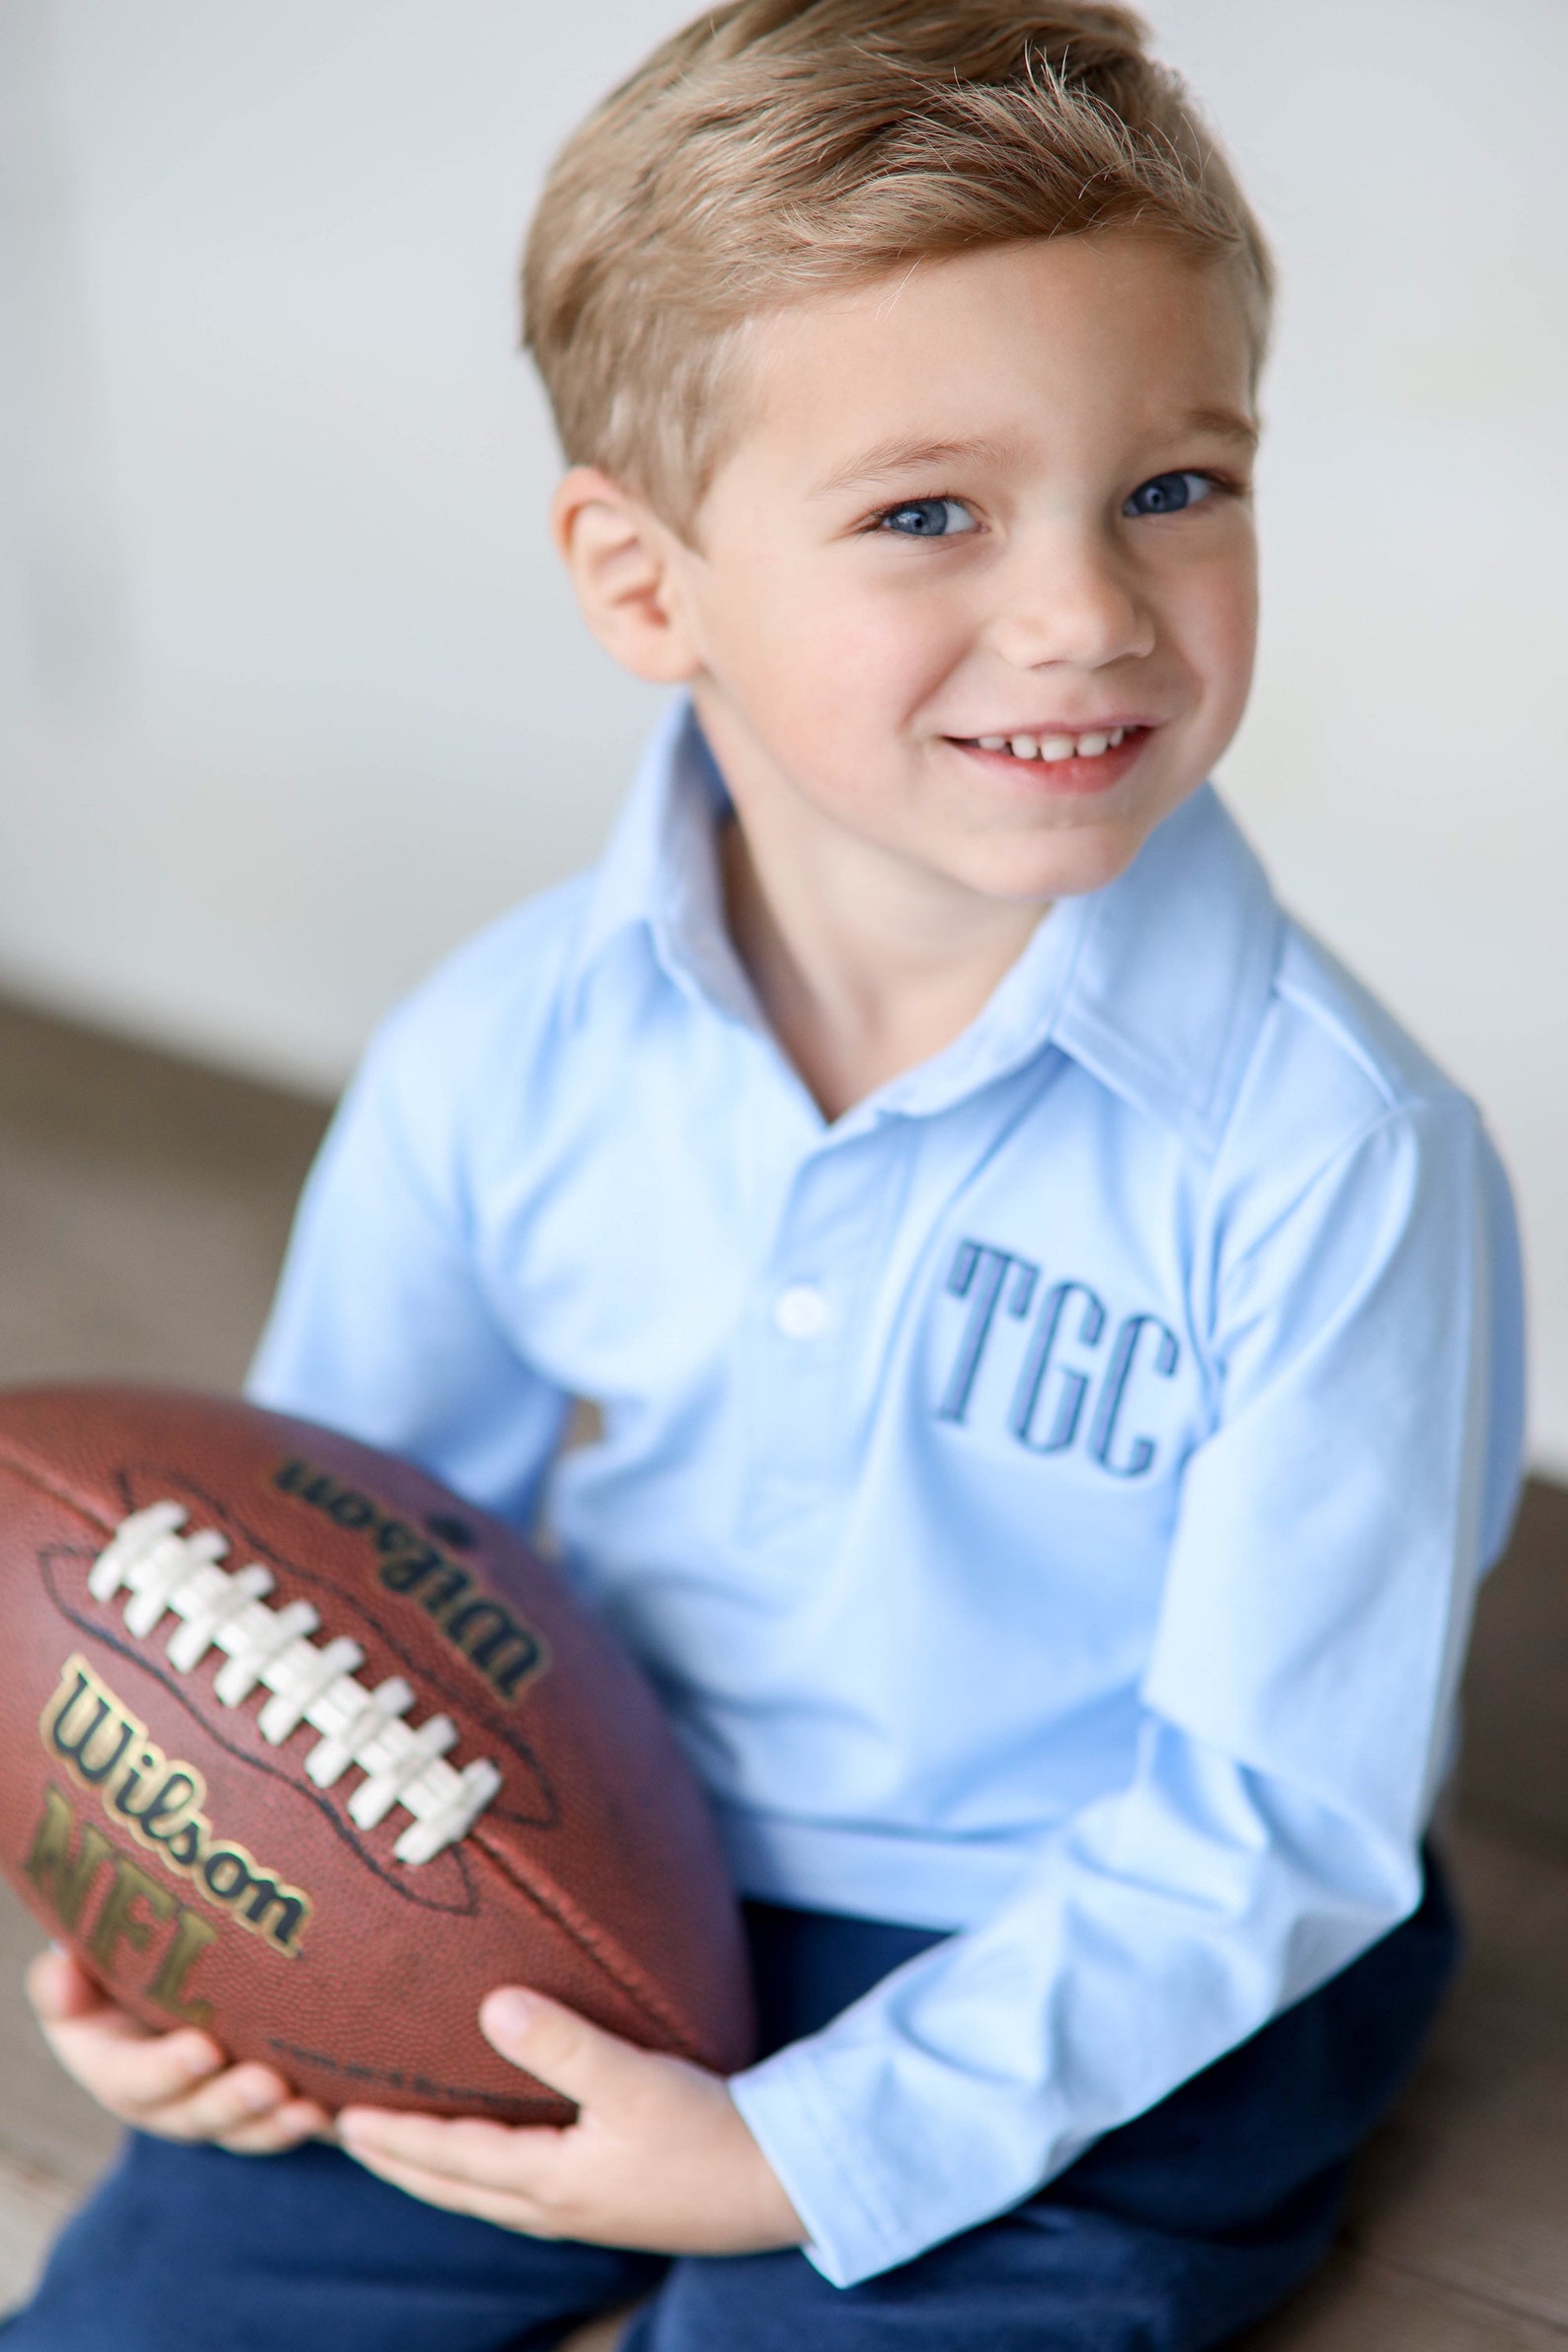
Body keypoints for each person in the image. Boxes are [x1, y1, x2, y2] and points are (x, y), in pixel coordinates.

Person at [10, 5, 1525, 2348]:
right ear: (642, 582)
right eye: (929, 511)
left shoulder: (1332, 1157)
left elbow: (1270, 1837)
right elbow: (309, 1566)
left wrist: (791, 2152)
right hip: (570, 1851)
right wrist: (200, 1931)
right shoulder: (504, 1054)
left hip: (1100, 1952)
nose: (1086, 613)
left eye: (1172, 486)